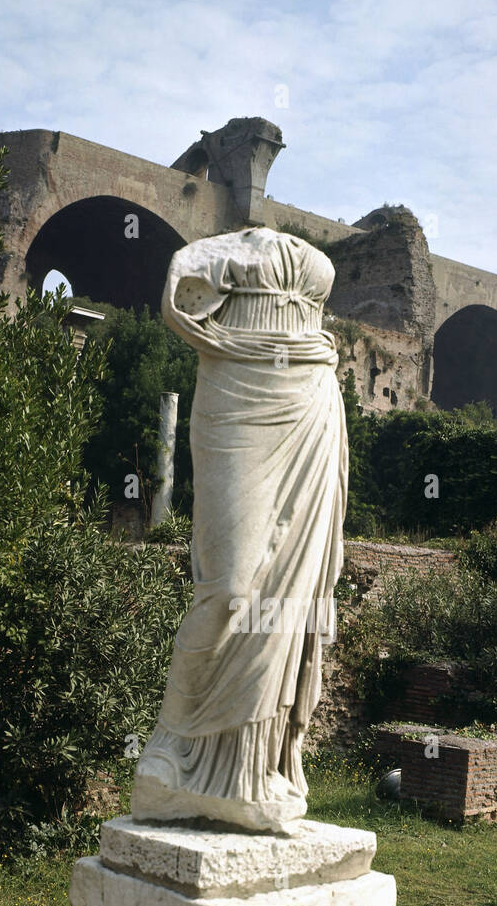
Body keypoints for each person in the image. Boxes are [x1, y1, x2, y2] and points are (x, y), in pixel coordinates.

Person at [131, 225, 347, 832]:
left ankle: (252, 773)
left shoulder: (311, 262)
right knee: (230, 586)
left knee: (289, 591)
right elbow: (182, 282)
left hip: (309, 392)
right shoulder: (237, 246)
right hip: (237, 384)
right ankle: (170, 751)